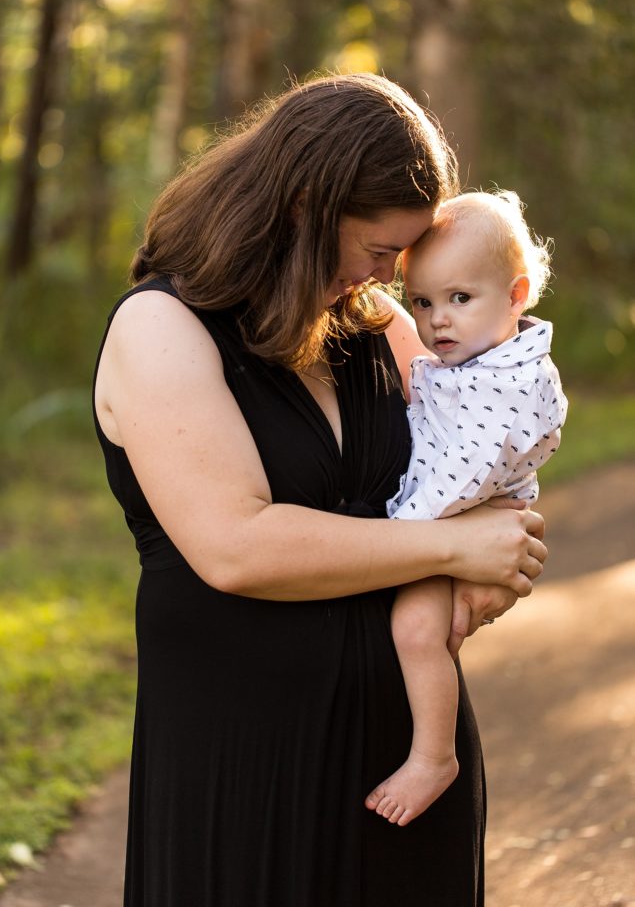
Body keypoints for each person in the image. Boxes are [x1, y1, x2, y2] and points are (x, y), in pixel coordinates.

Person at [92, 74, 547, 907]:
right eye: (379, 249)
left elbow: (480, 469)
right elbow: (235, 546)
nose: (389, 273)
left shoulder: (379, 323)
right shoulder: (162, 327)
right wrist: (453, 546)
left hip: (404, 766)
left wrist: (497, 559)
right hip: (245, 762)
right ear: (304, 206)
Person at [365, 190, 568, 830]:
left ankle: (434, 755)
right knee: (423, 632)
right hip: (448, 527)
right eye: (422, 302)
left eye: (459, 299)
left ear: (516, 296)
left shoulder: (515, 379)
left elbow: (466, 474)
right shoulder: (475, 359)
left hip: (449, 527)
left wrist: (393, 535)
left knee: (419, 632)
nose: (436, 321)